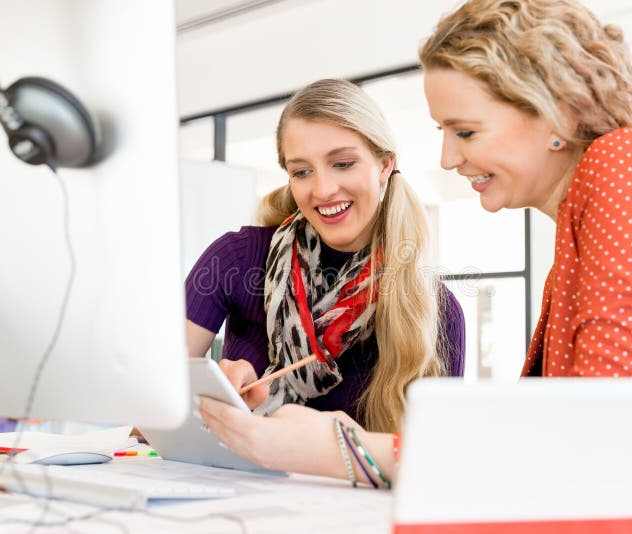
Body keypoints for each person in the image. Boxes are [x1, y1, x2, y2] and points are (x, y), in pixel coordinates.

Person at [419, 0, 632, 500]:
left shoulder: (625, 164)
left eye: (465, 132)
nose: (447, 158)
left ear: (560, 115)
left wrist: (356, 450)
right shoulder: (588, 214)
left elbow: (604, 424)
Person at [189, 79, 465, 476]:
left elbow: (441, 466)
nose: (322, 189)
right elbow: (151, 411)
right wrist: (211, 392)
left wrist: (342, 445)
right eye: (302, 171)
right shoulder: (236, 258)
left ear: (384, 165)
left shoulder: (438, 312)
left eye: (343, 163)